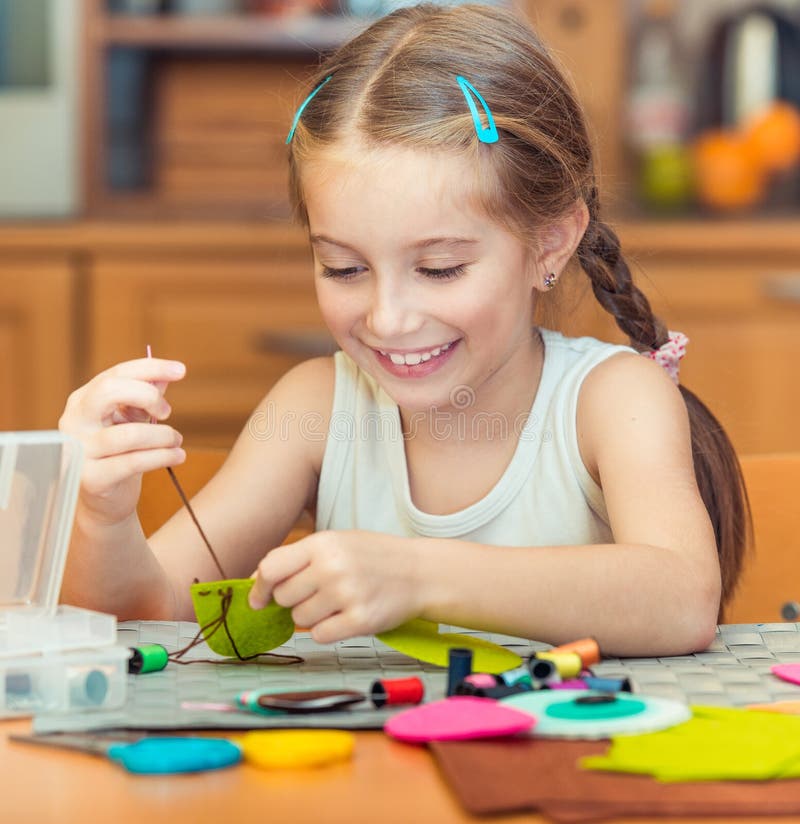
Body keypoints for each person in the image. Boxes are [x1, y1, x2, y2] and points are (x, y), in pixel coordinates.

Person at [58, 3, 749, 657]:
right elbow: (151, 613)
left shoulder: (612, 400)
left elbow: (682, 599)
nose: (388, 318)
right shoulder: (316, 408)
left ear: (550, 243)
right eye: (344, 268)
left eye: (440, 268)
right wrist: (102, 513)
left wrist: (416, 576)